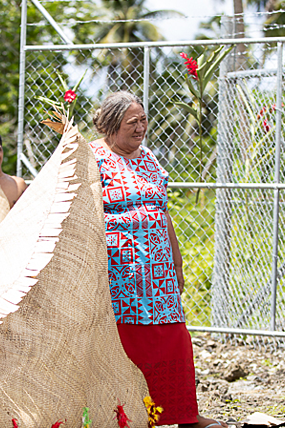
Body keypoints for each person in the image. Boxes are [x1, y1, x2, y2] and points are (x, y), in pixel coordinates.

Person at [90, 92, 226, 428]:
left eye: (143, 120)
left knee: (171, 337)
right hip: (116, 270)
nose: (140, 128)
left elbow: (161, 212)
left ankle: (183, 415)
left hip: (157, 269)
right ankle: (128, 415)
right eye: (131, 122)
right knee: (126, 341)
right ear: (110, 126)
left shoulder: (149, 158)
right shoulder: (92, 158)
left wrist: (177, 263)